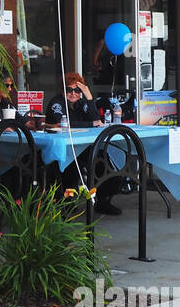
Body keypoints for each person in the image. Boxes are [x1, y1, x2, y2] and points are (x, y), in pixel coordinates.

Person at [46, 72, 125, 215]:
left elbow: (96, 120)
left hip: (83, 146)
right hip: (61, 149)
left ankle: (103, 201)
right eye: (69, 90)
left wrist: (89, 97)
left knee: (104, 161)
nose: (73, 93)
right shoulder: (56, 103)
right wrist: (91, 123)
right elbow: (62, 124)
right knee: (71, 167)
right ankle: (66, 203)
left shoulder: (81, 102)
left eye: (77, 90)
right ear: (63, 91)